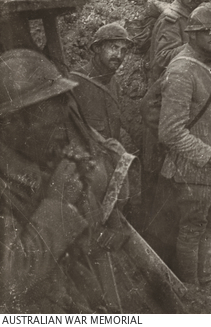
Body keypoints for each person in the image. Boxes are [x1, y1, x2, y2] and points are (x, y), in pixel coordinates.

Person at [0, 49, 137, 313]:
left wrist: (85, 203)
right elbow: (10, 279)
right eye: (51, 128)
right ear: (11, 125)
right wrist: (58, 202)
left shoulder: (33, 158)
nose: (64, 137)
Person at [158, 3, 211, 306]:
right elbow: (169, 131)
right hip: (195, 169)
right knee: (193, 228)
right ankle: (193, 293)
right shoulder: (182, 69)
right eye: (208, 32)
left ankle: (207, 285)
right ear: (192, 35)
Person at [142, 0, 210, 231]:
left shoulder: (192, 17)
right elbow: (161, 58)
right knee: (160, 173)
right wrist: (195, 46)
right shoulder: (171, 20)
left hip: (184, 101)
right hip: (163, 102)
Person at [70, 22, 132, 142]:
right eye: (114, 48)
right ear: (97, 48)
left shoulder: (113, 83)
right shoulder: (75, 83)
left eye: (123, 50)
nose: (119, 55)